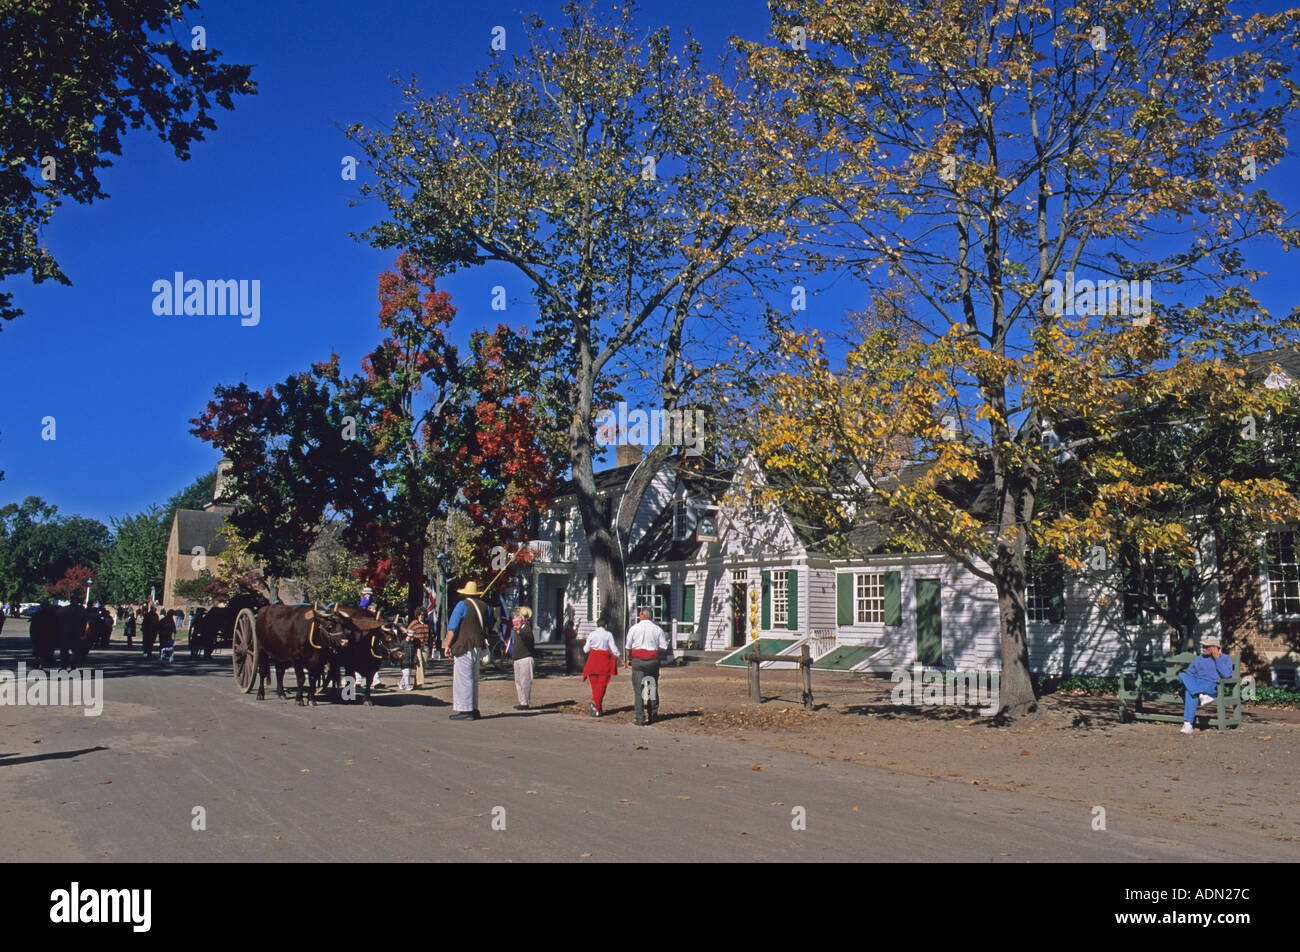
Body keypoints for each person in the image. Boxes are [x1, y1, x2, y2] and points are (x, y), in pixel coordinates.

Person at [445, 581, 491, 721]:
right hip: (479, 646)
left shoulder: (462, 605)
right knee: (474, 678)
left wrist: (447, 645)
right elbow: (490, 624)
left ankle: (466, 710)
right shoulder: (485, 607)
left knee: (463, 678)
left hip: (464, 646)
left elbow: (453, 627)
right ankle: (474, 707)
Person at [1179, 634, 1234, 734]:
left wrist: (1217, 658)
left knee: (1190, 692)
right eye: (1203, 646)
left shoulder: (1225, 658)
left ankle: (1188, 724)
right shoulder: (1199, 659)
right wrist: (1180, 690)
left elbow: (1226, 675)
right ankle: (1201, 695)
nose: (1203, 648)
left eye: (1206, 646)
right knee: (1182, 675)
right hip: (1197, 685)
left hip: (1212, 685)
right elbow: (1189, 676)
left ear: (1215, 648)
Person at [625, 608, 668, 726]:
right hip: (652, 660)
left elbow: (628, 647)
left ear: (642, 615)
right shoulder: (657, 629)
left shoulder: (634, 628)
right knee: (651, 687)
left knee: (638, 690)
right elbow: (664, 646)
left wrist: (629, 659)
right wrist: (652, 647)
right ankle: (652, 714)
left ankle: (640, 718)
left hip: (638, 660)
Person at [582, 615, 619, 717]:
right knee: (602, 685)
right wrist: (620, 657)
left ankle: (598, 709)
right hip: (604, 661)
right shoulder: (608, 635)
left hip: (592, 661)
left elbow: (586, 650)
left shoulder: (592, 634)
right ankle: (594, 702)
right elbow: (614, 649)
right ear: (606, 625)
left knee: (595, 686)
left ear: (597, 625)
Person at [510, 607, 536, 710]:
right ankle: (521, 701)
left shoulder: (526, 628)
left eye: (517, 617)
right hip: (517, 658)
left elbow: (528, 639)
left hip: (525, 658)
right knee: (518, 681)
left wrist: (519, 632)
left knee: (525, 681)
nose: (514, 619)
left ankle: (525, 703)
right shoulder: (519, 629)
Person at [399, 618, 427, 691]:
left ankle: (401, 683)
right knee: (407, 673)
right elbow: (399, 651)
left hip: (410, 661)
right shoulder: (402, 643)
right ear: (407, 636)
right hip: (404, 661)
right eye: (410, 636)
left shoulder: (412, 644)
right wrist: (400, 657)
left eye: (412, 637)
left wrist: (415, 659)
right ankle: (407, 686)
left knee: (407, 674)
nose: (412, 638)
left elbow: (414, 653)